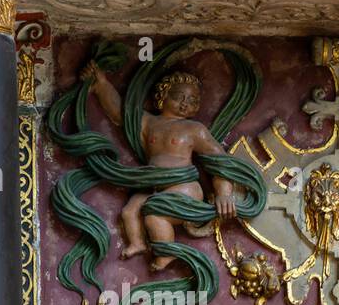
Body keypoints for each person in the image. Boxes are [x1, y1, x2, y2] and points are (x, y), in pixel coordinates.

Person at [81, 65, 238, 270]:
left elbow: (219, 161)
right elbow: (121, 113)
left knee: (154, 213)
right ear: (162, 95)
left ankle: (167, 253)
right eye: (179, 97)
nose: (185, 104)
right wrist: (101, 84)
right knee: (130, 211)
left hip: (185, 188)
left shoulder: (194, 129)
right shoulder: (149, 122)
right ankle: (137, 243)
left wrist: (224, 193)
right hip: (155, 186)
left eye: (192, 100)